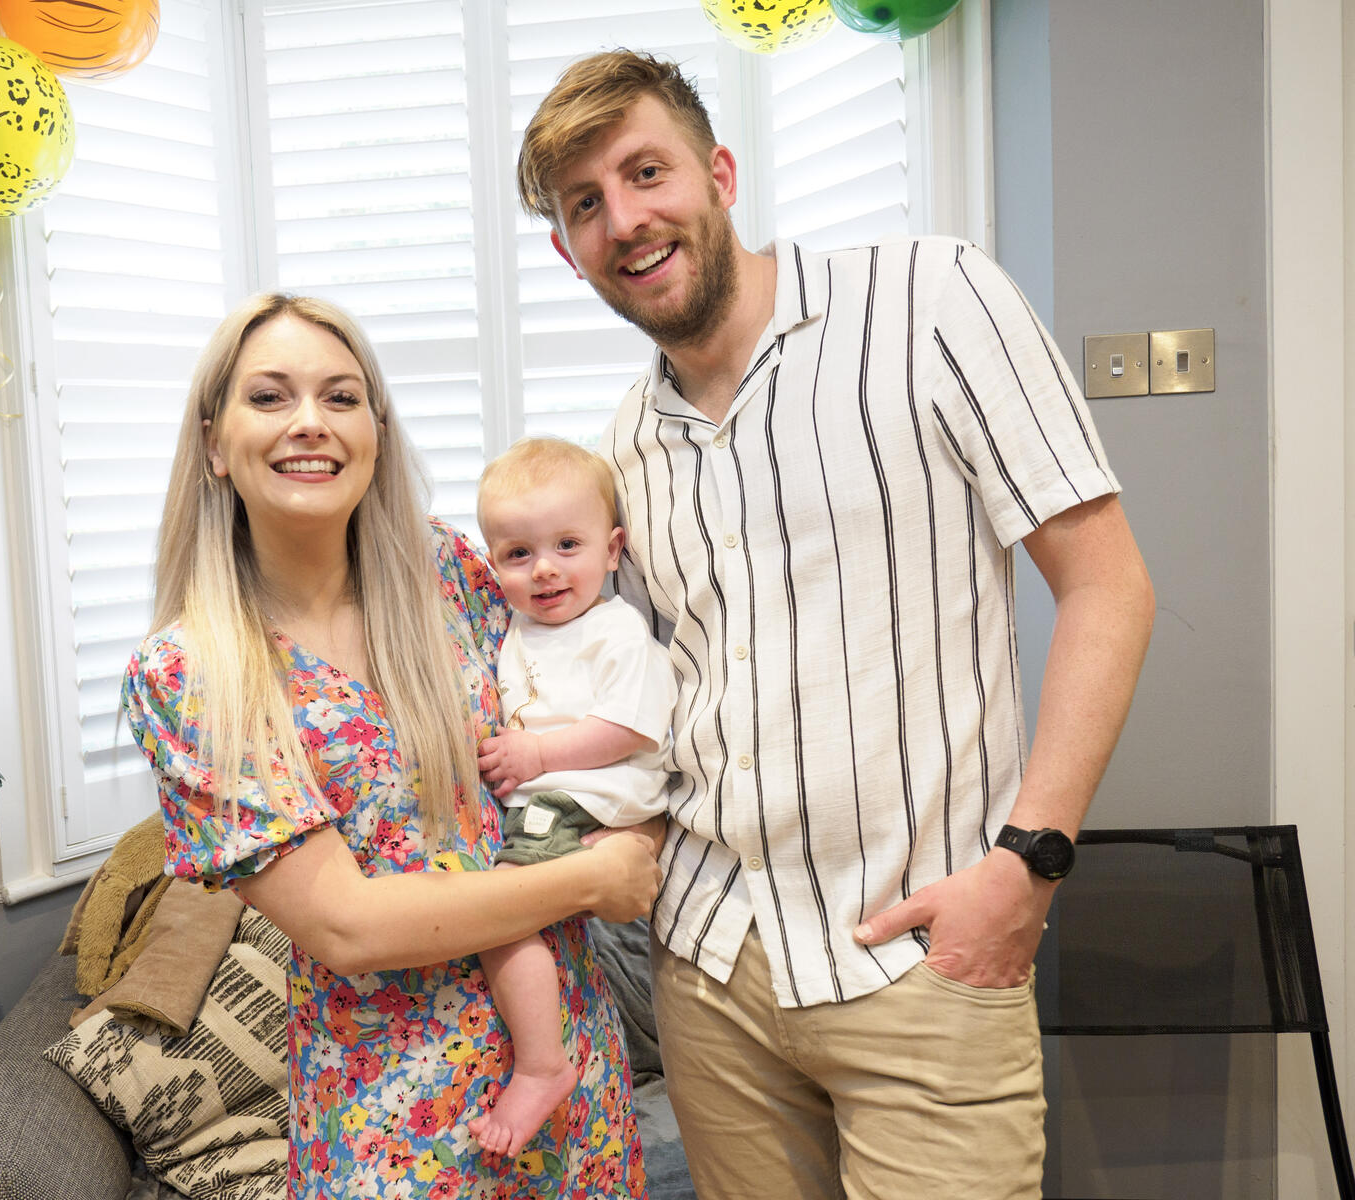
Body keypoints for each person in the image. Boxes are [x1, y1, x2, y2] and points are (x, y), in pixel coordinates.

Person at [516, 50, 1156, 1200]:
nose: (625, 218)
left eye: (644, 170)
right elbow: (659, 697)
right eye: (585, 206)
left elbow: (1108, 584)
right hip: (711, 975)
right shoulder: (622, 451)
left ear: (715, 172)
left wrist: (1028, 867)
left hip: (920, 961)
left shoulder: (930, 299)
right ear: (568, 252)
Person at [119, 293, 661, 1199]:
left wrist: (634, 821)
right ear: (214, 442)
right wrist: (594, 877)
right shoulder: (191, 673)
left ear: (377, 428)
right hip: (393, 1124)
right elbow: (349, 927)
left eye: (340, 397)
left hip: (569, 1072)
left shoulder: (453, 573)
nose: (309, 424)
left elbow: (597, 705)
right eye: (269, 397)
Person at [467, 437, 677, 1158]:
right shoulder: (520, 632)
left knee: (495, 915)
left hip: (590, 798)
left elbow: (626, 728)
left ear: (613, 549)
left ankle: (541, 1063)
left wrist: (535, 754)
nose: (546, 568)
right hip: (550, 801)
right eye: (518, 554)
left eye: (566, 544)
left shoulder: (617, 631)